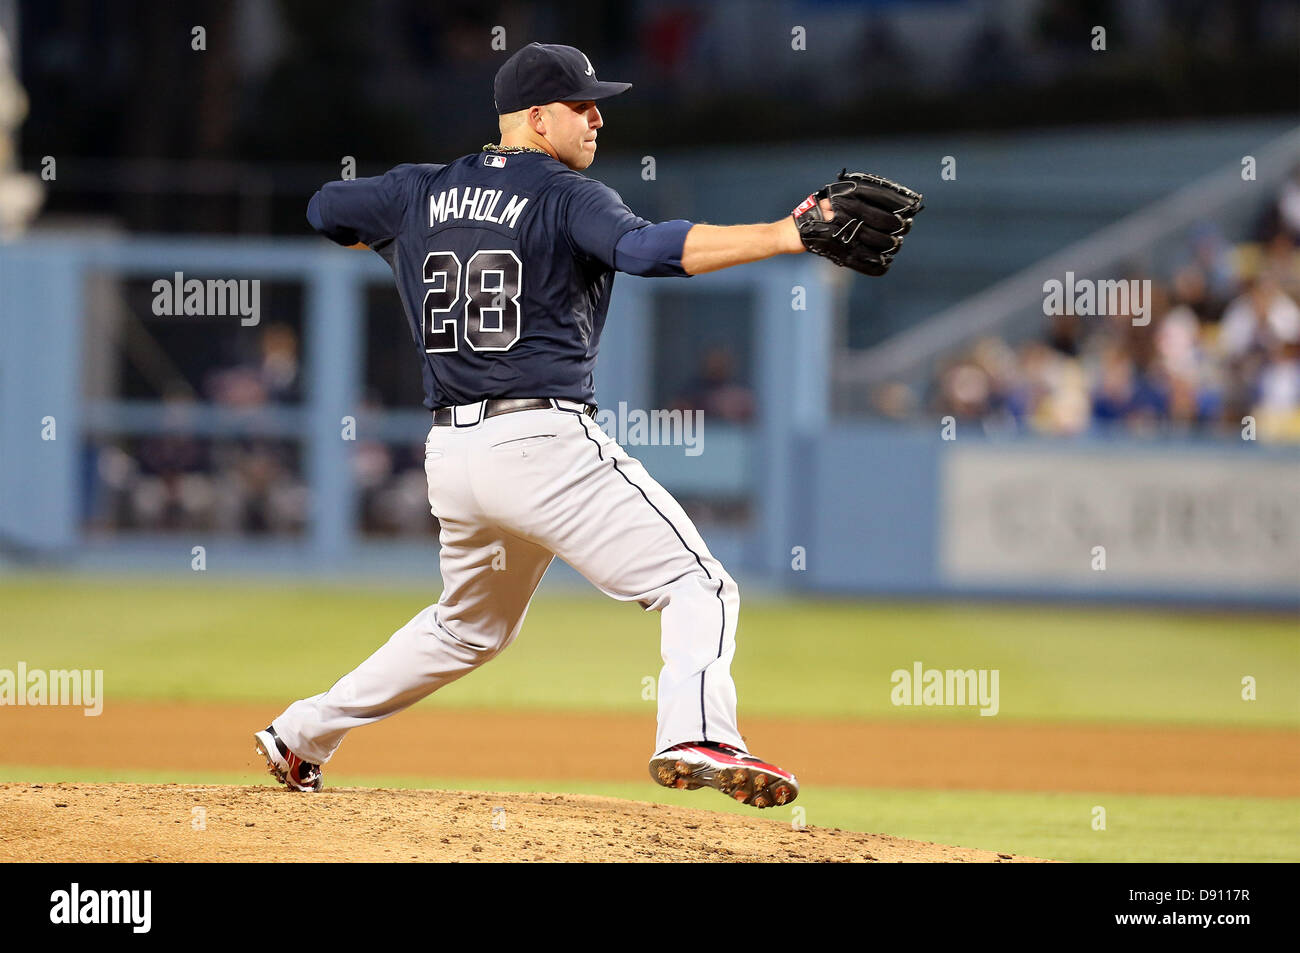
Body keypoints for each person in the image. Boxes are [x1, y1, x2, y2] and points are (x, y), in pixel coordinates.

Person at [254, 42, 920, 809]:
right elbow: (644, 249)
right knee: (698, 584)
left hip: (452, 457)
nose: (598, 118)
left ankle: (301, 734)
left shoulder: (419, 190)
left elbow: (325, 208)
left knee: (467, 630)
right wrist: (784, 234)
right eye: (582, 105)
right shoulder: (567, 194)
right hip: (539, 442)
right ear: (537, 118)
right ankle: (697, 732)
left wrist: (399, 234)